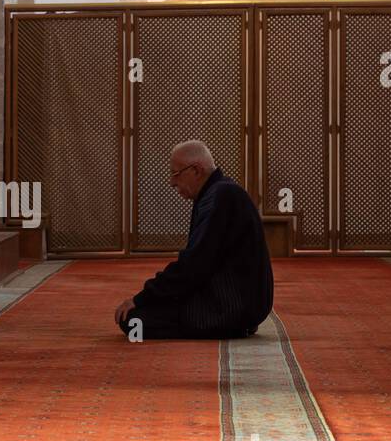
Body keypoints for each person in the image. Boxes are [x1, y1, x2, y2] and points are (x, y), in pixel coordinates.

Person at [114, 141, 273, 340]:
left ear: (196, 170)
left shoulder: (220, 196)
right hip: (243, 303)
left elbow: (194, 265)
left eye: (175, 174)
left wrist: (141, 298)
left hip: (227, 306)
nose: (172, 183)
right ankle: (235, 324)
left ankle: (227, 327)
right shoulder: (220, 192)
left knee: (132, 320)